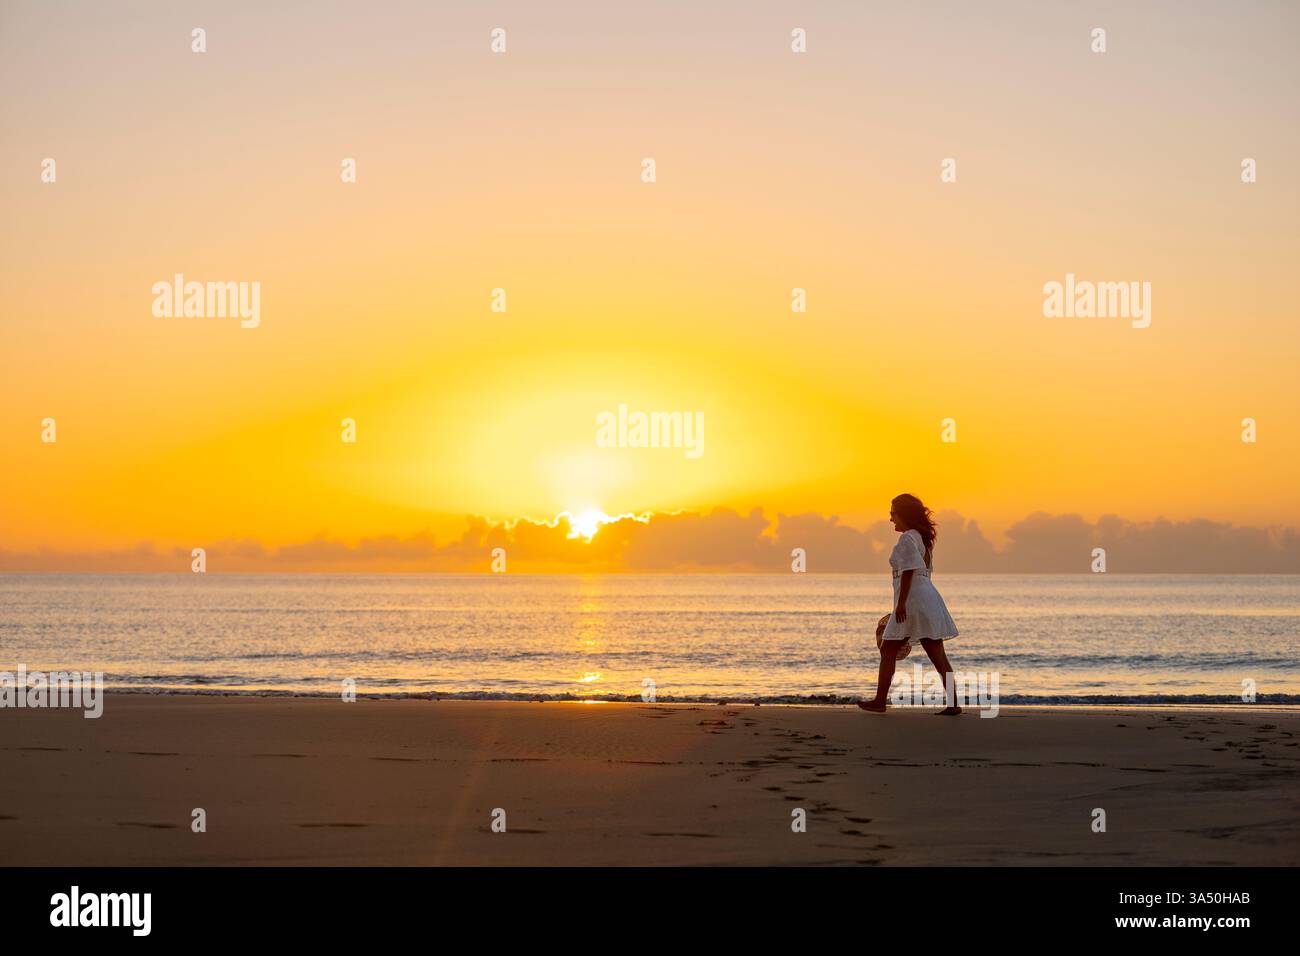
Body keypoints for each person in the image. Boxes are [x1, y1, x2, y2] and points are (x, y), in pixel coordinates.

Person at [858, 493, 961, 715]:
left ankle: (879, 702)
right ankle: (954, 704)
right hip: (928, 597)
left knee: (888, 649)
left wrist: (902, 604)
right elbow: (922, 573)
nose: (890, 519)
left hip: (914, 599)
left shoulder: (907, 538)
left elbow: (908, 572)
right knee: (937, 654)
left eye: (893, 514)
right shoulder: (921, 537)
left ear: (904, 515)